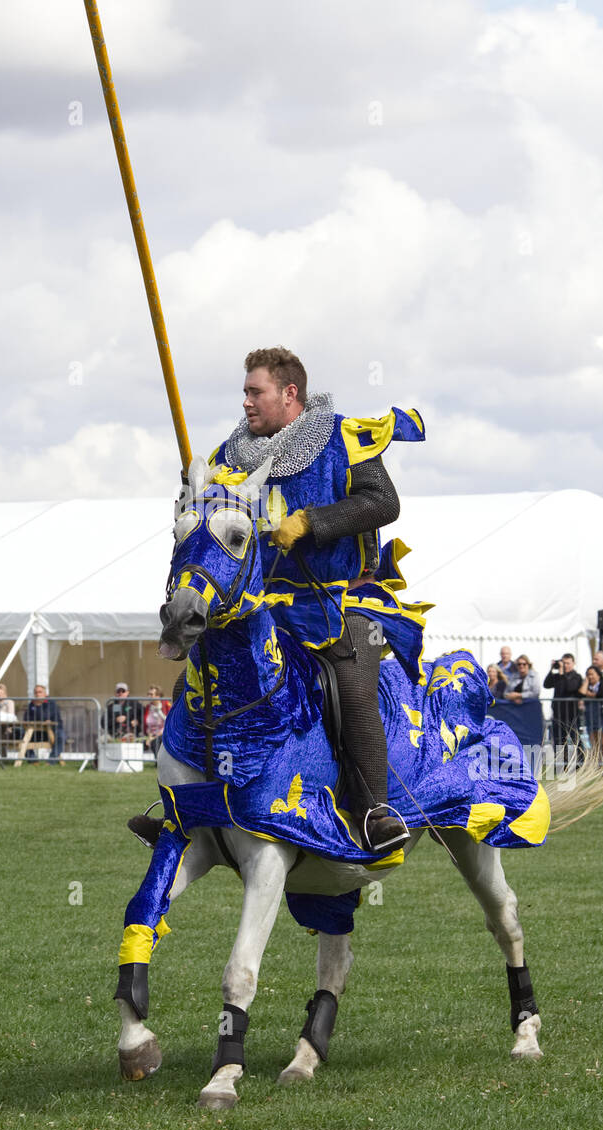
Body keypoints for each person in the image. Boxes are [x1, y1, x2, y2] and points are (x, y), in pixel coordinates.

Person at [133, 346, 425, 854]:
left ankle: (375, 809)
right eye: (244, 391)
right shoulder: (230, 453)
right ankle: (185, 809)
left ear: (290, 394)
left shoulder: (343, 438)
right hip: (262, 604)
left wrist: (313, 523)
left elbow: (384, 503)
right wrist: (192, 498)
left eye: (255, 391)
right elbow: (210, 516)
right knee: (197, 679)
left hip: (341, 601)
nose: (246, 401)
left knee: (351, 688)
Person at [543, 653, 582, 754]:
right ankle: (561, 766)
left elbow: (570, 687)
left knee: (575, 741)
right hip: (558, 714)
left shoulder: (576, 677)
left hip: (572, 715)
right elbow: (546, 684)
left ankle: (579, 765)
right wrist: (551, 669)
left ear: (573, 663)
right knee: (559, 742)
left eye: (568, 663)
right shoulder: (558, 676)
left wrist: (561, 674)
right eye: (563, 663)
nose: (565, 666)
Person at [23, 684, 65, 763]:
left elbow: (49, 717)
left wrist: (38, 707)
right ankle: (33, 760)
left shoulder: (51, 703)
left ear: (45, 694)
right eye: (36, 692)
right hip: (37, 731)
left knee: (61, 737)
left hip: (53, 730)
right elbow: (26, 718)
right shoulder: (31, 704)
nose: (38, 694)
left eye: (40, 692)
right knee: (22, 736)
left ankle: (51, 761)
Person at [578, 666, 603, 755]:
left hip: (602, 717)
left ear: (598, 675)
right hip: (590, 717)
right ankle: (596, 765)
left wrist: (589, 695)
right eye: (588, 674)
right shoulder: (587, 686)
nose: (590, 676)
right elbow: (581, 693)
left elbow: (600, 694)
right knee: (593, 743)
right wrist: (586, 681)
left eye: (592, 674)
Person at [142, 684, 170, 755]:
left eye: (151, 694)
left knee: (155, 742)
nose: (148, 696)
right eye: (148, 694)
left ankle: (157, 762)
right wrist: (149, 736)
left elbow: (169, 723)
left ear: (158, 696)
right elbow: (147, 725)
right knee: (141, 743)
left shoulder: (166, 705)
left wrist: (154, 737)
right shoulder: (148, 707)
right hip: (150, 735)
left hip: (164, 734)